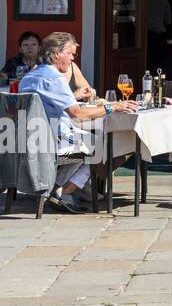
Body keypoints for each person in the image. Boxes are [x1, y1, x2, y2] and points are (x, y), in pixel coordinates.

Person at [20, 33, 139, 213]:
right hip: (53, 143)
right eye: (70, 53)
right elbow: (79, 115)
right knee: (105, 144)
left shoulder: (30, 76)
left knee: (90, 140)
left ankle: (57, 187)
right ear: (55, 54)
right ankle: (64, 190)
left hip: (28, 141)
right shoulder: (55, 78)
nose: (73, 58)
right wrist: (112, 107)